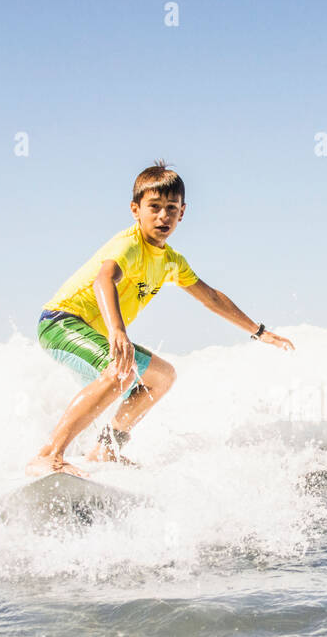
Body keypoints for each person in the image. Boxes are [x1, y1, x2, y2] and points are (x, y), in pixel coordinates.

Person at [27, 161, 294, 476]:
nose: (163, 216)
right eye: (153, 207)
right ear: (135, 209)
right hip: (61, 322)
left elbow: (210, 297)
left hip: (91, 331)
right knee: (122, 372)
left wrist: (259, 332)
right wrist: (117, 332)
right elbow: (104, 279)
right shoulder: (130, 245)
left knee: (162, 377)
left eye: (171, 208)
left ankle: (106, 449)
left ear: (182, 212)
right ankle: (49, 454)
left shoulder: (170, 261)